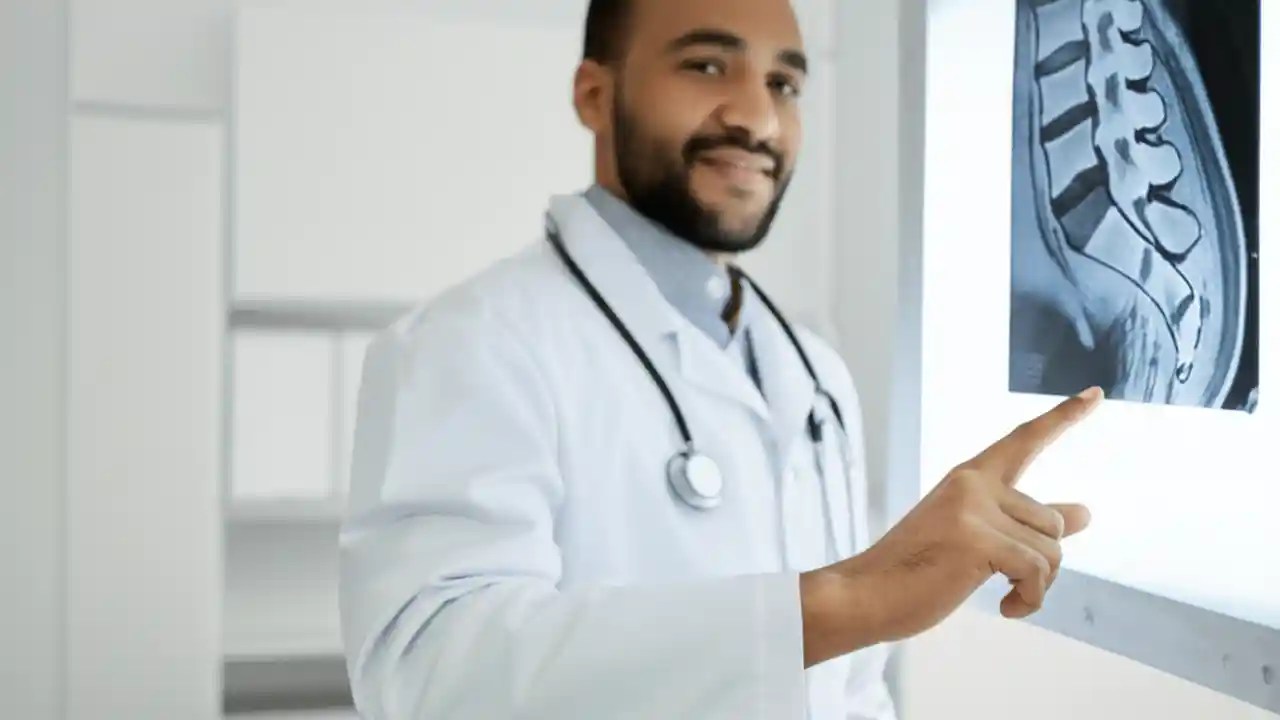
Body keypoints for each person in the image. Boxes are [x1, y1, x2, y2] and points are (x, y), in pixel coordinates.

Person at [337, 0, 1101, 717]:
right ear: (594, 96)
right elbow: (429, 674)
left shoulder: (813, 372)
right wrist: (847, 601)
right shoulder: (470, 341)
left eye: (784, 82)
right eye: (706, 66)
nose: (757, 116)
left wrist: (853, 612)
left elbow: (851, 691)